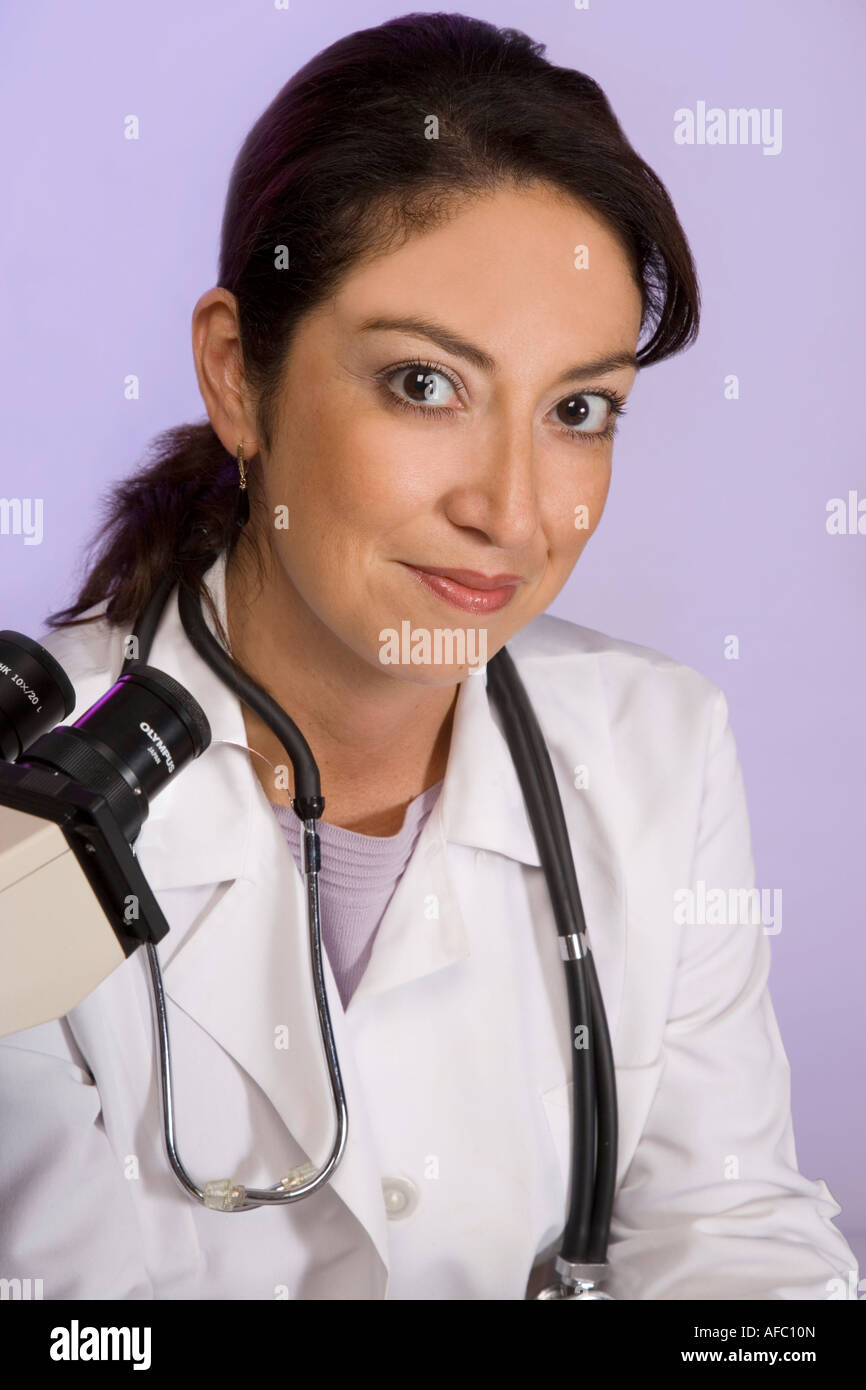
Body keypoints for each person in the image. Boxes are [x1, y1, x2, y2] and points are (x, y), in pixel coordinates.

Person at [0, 12, 857, 1301]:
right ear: (239, 376)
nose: (512, 513)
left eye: (580, 411)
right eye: (424, 385)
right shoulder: (29, 795)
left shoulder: (654, 748)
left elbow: (735, 1246)